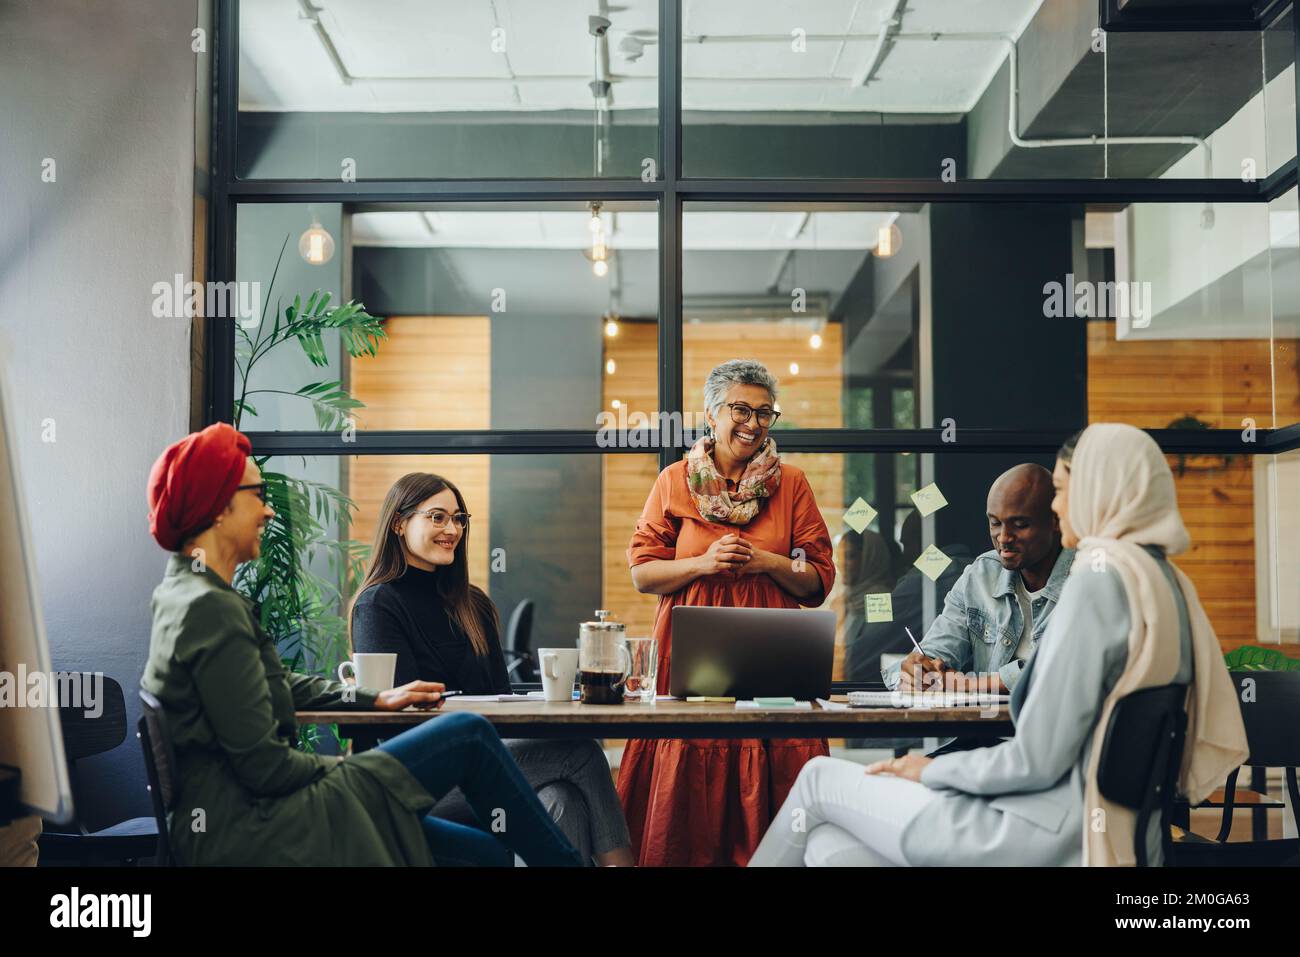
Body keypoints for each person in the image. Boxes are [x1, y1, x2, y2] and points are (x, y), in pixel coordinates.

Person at [749, 423, 1249, 867]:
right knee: (830, 850)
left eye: (1062, 489)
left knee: (817, 778)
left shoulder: (1097, 577)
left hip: (1037, 828)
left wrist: (930, 771)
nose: (1057, 505)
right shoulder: (1162, 579)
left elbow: (1036, 759)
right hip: (1104, 826)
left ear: (1099, 488)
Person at [140, 423, 582, 866]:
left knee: (488, 854)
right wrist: (363, 776)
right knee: (467, 733)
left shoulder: (189, 595)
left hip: (254, 808)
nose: (269, 512)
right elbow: (267, 768)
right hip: (254, 822)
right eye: (258, 495)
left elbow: (275, 683)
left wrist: (375, 696)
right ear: (219, 506)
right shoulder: (208, 609)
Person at [350, 471, 634, 866]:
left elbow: (503, 702)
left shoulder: (473, 604)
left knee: (560, 799)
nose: (452, 528)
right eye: (437, 517)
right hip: (421, 778)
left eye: (459, 518)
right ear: (399, 523)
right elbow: (403, 722)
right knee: (581, 753)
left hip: (483, 764)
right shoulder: (378, 605)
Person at [617, 359, 836, 866]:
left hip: (772, 653)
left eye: (764, 413)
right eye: (741, 409)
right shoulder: (674, 480)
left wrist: (766, 562)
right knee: (693, 757)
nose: (753, 423)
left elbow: (818, 579)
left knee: (770, 751)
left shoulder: (793, 483)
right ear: (712, 414)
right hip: (691, 649)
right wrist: (702, 563)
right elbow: (642, 572)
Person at [886, 464, 1075, 694]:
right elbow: (936, 651)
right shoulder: (980, 575)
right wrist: (917, 672)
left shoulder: (1084, 580)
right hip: (982, 728)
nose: (1004, 538)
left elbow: (1059, 669)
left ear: (1055, 521)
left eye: (1020, 525)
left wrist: (965, 684)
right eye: (995, 523)